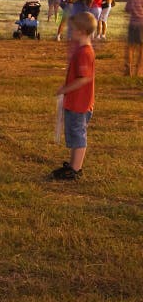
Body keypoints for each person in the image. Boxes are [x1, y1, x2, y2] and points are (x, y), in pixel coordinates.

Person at [51, 12, 96, 180]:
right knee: (74, 133)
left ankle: (75, 170)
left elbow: (84, 78)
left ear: (82, 31)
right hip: (76, 102)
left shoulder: (84, 53)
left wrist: (65, 89)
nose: (71, 31)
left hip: (80, 103)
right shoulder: (82, 50)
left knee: (78, 135)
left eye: (73, 29)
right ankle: (72, 165)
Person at [124, 0, 143, 76]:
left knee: (130, 47)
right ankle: (139, 71)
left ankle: (128, 70)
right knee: (141, 49)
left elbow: (127, 9)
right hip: (142, 24)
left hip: (133, 24)